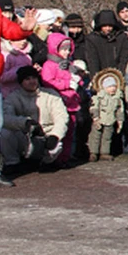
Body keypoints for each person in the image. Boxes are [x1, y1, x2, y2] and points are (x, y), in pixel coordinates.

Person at [0, 66, 68, 178]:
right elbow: (5, 117)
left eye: (34, 78)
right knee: (5, 133)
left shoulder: (51, 95)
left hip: (46, 136)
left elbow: (62, 117)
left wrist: (55, 135)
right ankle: (12, 163)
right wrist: (25, 123)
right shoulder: (13, 97)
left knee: (57, 144)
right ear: (21, 82)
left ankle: (46, 162)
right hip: (25, 136)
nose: (32, 81)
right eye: (27, 79)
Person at [40, 32, 82, 164]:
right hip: (58, 101)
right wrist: (67, 84)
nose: (66, 52)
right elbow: (47, 81)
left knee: (70, 132)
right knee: (59, 131)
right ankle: (54, 157)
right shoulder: (49, 65)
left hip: (71, 102)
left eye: (68, 49)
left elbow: (77, 80)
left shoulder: (69, 64)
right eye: (63, 49)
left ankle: (66, 157)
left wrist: (78, 79)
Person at [87, 69, 125, 162]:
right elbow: (94, 107)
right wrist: (95, 118)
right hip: (99, 119)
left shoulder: (117, 98)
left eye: (114, 86)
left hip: (110, 120)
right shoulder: (98, 97)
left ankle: (104, 153)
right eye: (109, 87)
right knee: (95, 137)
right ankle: (93, 153)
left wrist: (120, 121)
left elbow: (120, 110)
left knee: (107, 138)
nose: (112, 88)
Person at [85, 10, 128, 76]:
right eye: (104, 26)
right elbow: (93, 61)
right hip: (100, 75)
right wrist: (97, 77)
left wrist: (119, 75)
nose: (108, 28)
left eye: (110, 26)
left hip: (118, 75)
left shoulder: (121, 37)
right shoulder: (92, 39)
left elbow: (124, 58)